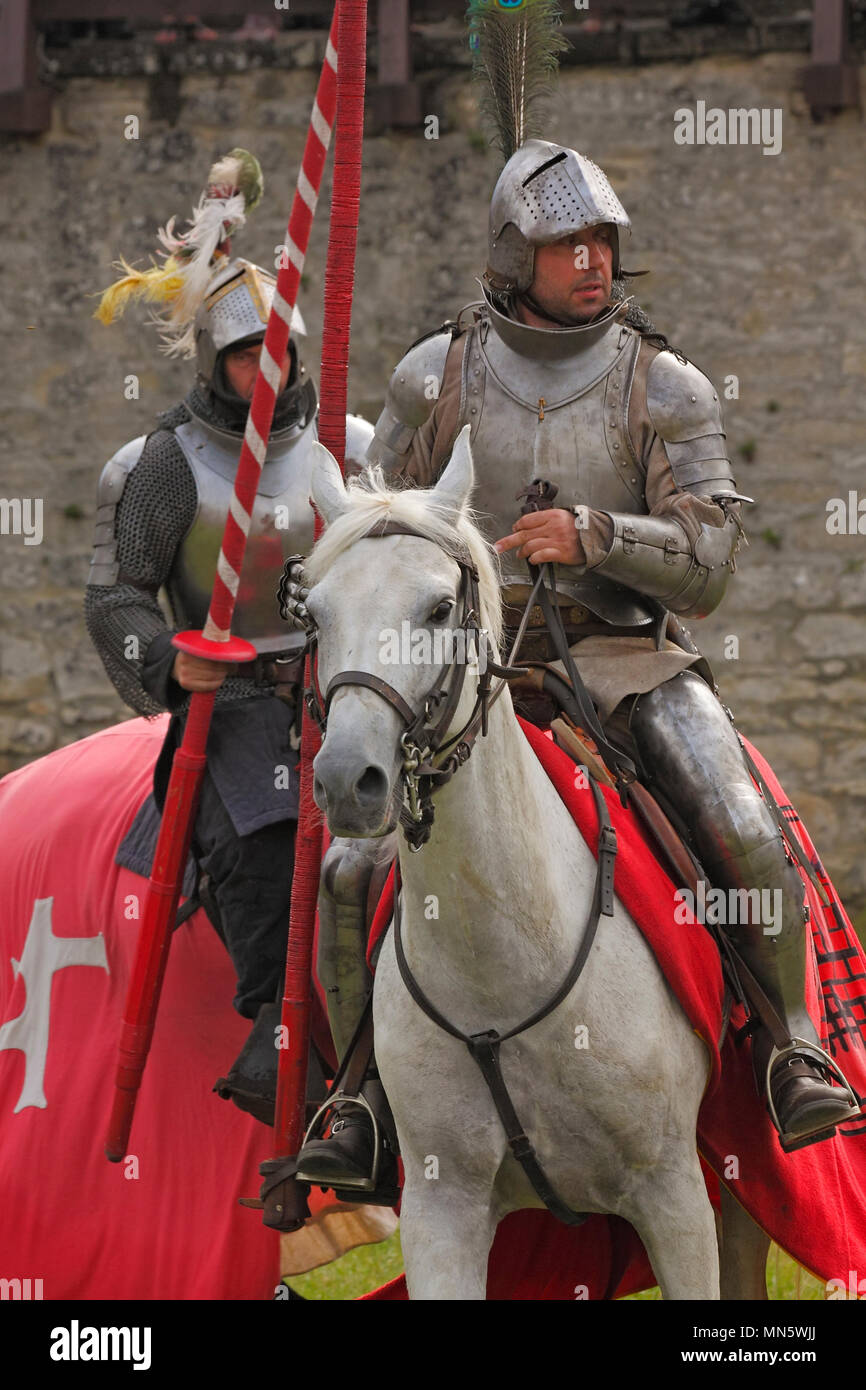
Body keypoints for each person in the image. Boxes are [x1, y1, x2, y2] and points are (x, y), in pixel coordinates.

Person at [287, 139, 859, 1200]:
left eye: (600, 240)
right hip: (469, 670)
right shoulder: (433, 376)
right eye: (565, 244)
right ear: (514, 254)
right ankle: (359, 1098)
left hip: (625, 658)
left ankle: (790, 1050)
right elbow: (375, 523)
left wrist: (592, 534)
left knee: (736, 816)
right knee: (349, 869)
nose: (591, 260)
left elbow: (711, 562)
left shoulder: (664, 384)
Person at [86, 157, 372, 1124]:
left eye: (279, 351)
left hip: (351, 684)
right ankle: (278, 1025)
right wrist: (170, 661)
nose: (269, 372)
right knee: (263, 830)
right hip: (234, 697)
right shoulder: (161, 464)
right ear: (216, 362)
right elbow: (116, 598)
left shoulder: (347, 446)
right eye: (249, 356)